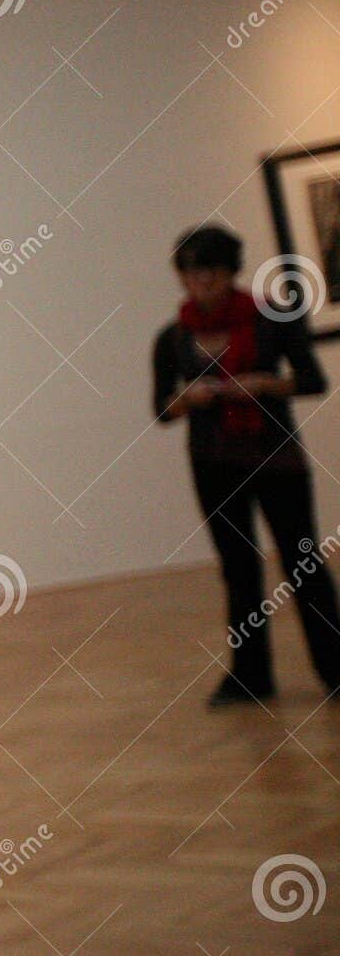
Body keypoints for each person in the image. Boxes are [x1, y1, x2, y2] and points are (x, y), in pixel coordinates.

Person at [152, 223, 340, 705]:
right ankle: (250, 675)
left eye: (210, 273)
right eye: (191, 275)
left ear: (230, 272)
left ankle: (335, 668)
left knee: (301, 561)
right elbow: (162, 411)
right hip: (212, 462)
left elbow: (312, 380)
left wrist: (263, 384)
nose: (200, 284)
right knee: (237, 567)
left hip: (275, 455)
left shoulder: (271, 318)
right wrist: (187, 399)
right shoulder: (172, 337)